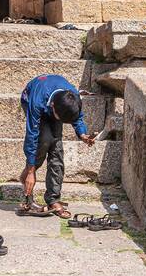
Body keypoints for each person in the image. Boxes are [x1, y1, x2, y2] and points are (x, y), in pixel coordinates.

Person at [19, 73, 95, 217]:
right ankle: (28, 192)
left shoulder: (72, 97)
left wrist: (83, 134)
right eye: (59, 118)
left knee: (57, 149)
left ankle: (53, 198)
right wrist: (30, 170)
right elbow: (31, 134)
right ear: (53, 106)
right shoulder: (37, 102)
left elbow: (77, 117)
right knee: (44, 140)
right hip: (31, 98)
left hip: (54, 104)